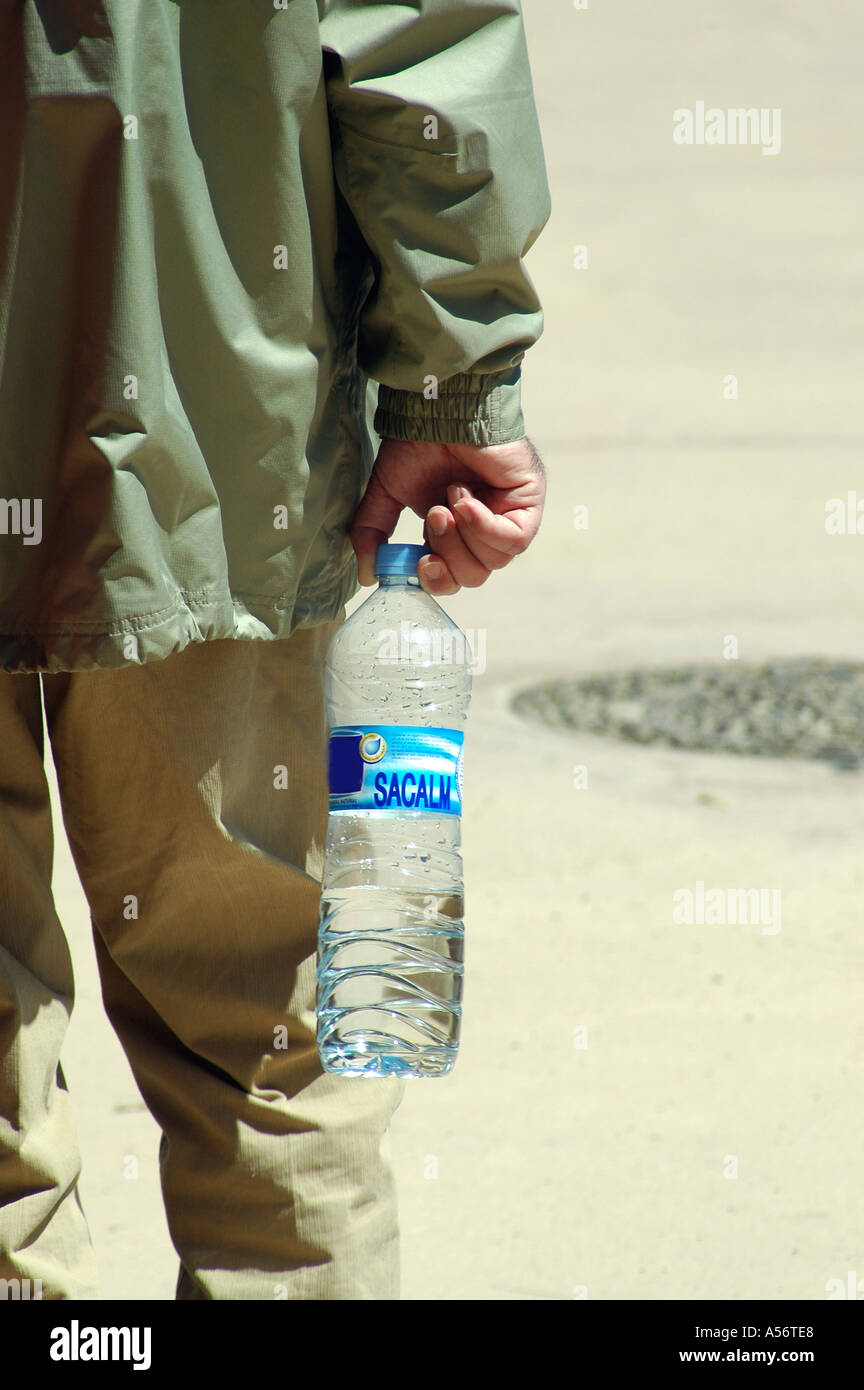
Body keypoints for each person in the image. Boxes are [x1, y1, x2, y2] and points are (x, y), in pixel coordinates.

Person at [0, 0, 550, 1300]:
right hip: (194, 432)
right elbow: (420, 37)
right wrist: (453, 380)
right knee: (264, 1049)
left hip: (196, 457)